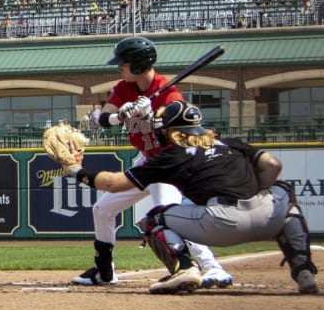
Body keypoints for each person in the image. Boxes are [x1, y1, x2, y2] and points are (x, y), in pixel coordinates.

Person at [70, 102, 318, 294]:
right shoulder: (228, 143)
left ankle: (185, 269)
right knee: (284, 192)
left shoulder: (170, 156)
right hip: (268, 218)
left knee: (155, 218)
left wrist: (74, 170)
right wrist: (255, 193)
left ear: (170, 131)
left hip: (222, 223)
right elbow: (273, 165)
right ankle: (303, 269)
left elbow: (113, 184)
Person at [75, 36, 232, 288]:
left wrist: (156, 117)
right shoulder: (123, 88)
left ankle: (213, 268)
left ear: (137, 65)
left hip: (169, 164)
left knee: (170, 215)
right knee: (102, 209)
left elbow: (186, 131)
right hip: (146, 164)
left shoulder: (169, 93)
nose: (119, 68)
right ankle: (104, 271)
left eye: (123, 64)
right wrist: (119, 116)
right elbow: (103, 118)